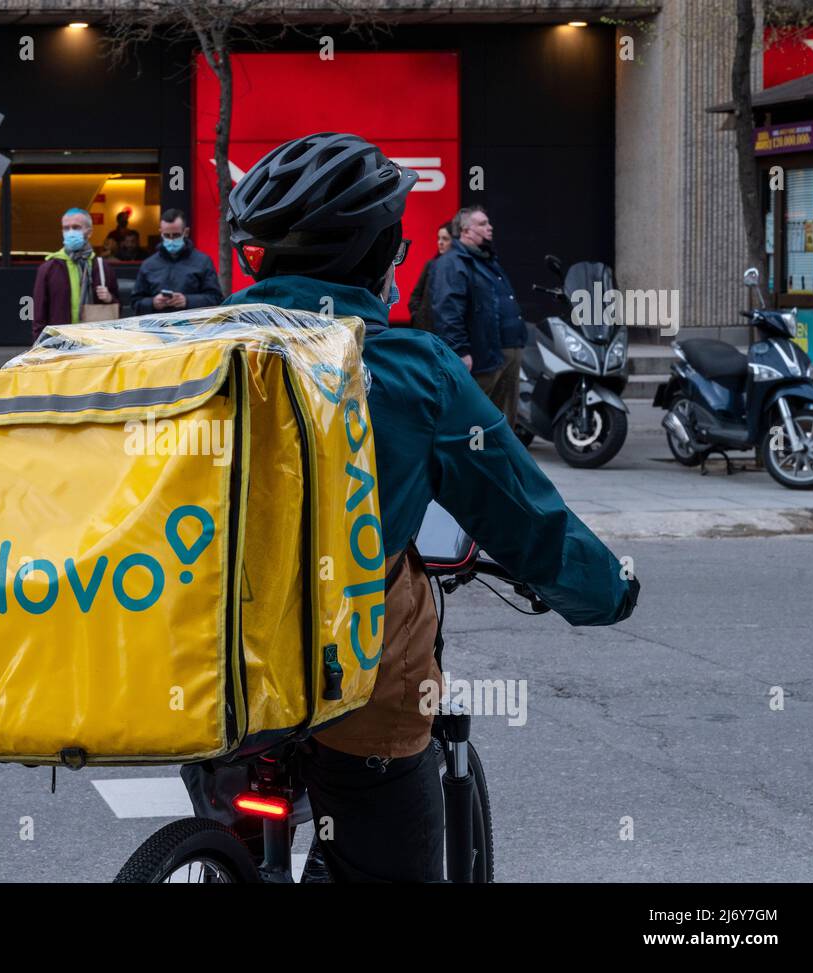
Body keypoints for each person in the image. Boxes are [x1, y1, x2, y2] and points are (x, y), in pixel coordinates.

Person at [206, 132, 639, 882]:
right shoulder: (410, 369)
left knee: (231, 799)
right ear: (379, 255)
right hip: (346, 674)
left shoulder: (186, 350)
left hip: (198, 661)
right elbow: (522, 515)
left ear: (257, 257)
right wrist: (605, 593)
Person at [432, 206, 529, 426]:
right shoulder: (452, 262)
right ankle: (476, 458)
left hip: (506, 351)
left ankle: (500, 459)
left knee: (503, 420)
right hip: (483, 356)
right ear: (465, 230)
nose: (490, 227)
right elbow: (448, 312)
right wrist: (461, 351)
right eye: (482, 224)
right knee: (475, 420)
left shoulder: (486, 260)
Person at [31, 207, 120, 343]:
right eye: (66, 228)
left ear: (89, 232)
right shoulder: (49, 268)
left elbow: (118, 308)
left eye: (76, 227)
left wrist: (109, 298)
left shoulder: (102, 267)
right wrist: (40, 346)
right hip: (60, 345)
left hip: (96, 344)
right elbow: (39, 315)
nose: (70, 232)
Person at [128, 208, 223, 316]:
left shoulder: (203, 261)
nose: (171, 239)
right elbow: (135, 303)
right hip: (156, 327)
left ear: (186, 232)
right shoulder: (148, 265)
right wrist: (153, 303)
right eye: (167, 235)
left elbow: (216, 299)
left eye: (176, 235)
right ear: (161, 233)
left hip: (192, 327)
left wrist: (187, 301)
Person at [406, 221, 452, 332]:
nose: (440, 242)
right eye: (439, 238)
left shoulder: (460, 268)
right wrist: (417, 316)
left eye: (445, 239)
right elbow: (416, 296)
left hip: (448, 332)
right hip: (425, 329)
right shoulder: (431, 265)